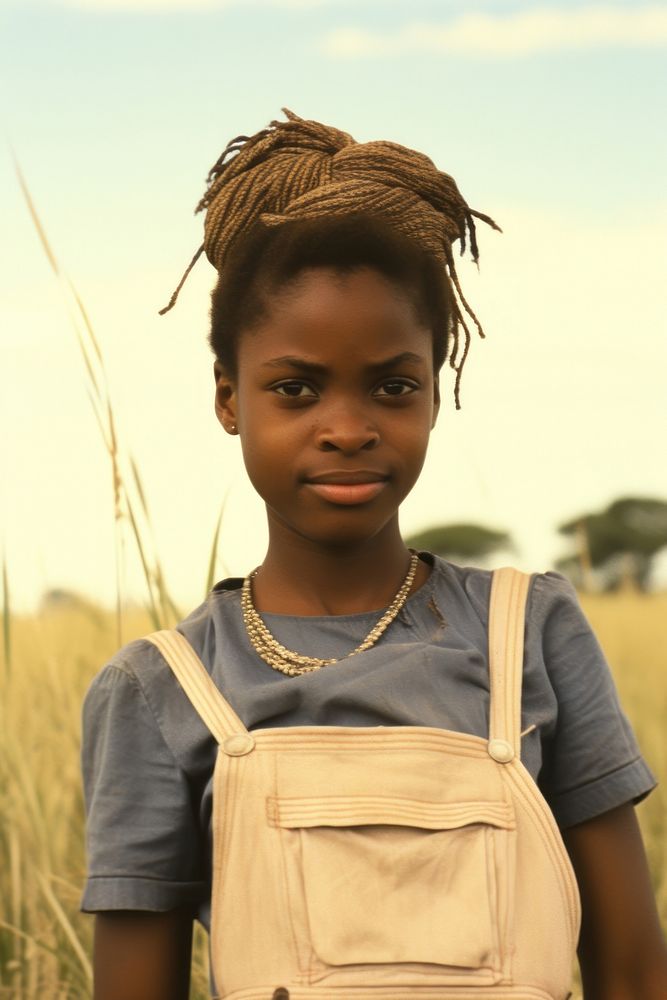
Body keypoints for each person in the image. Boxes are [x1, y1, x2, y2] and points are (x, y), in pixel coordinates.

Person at [81, 110, 667, 1000]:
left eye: (394, 386)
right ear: (229, 399)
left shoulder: (528, 632)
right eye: (296, 388)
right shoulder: (162, 690)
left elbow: (631, 968)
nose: (348, 429)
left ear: (437, 391)